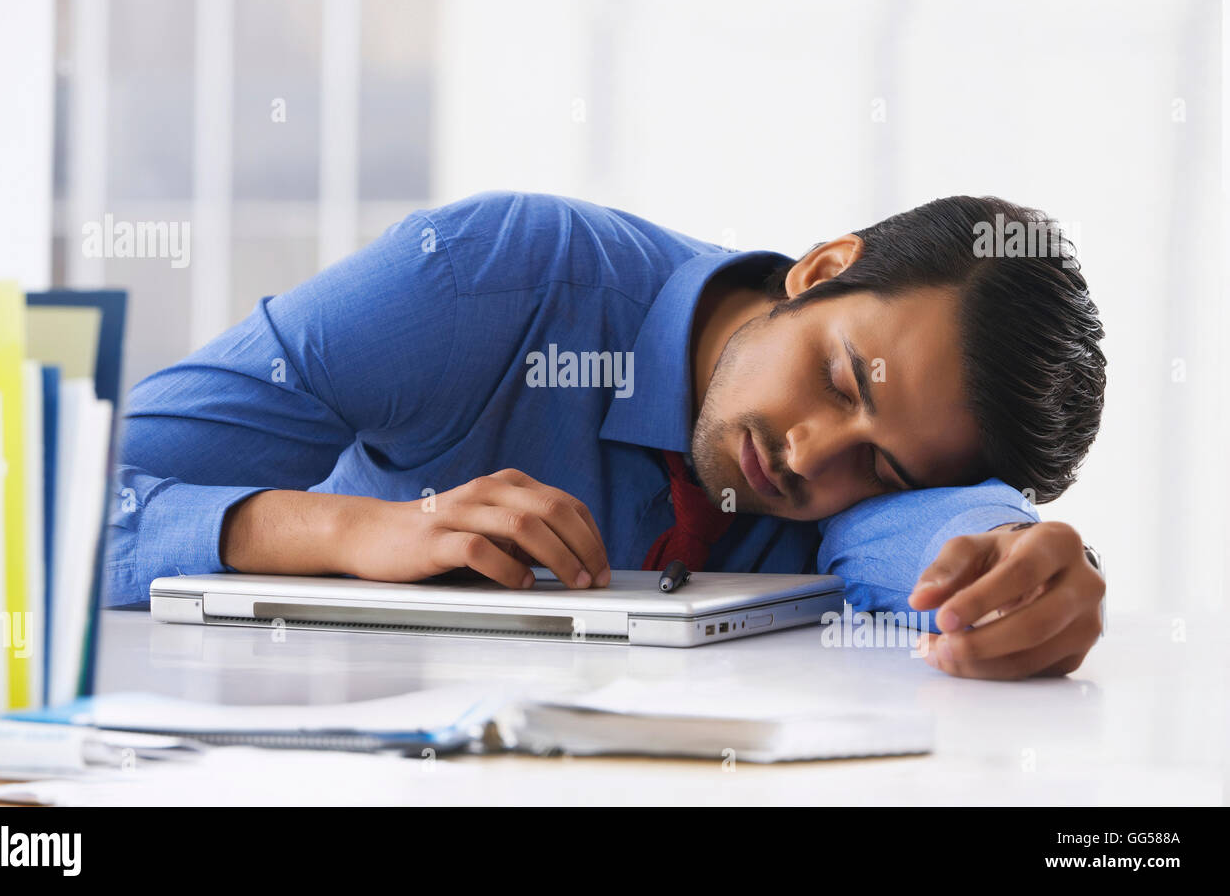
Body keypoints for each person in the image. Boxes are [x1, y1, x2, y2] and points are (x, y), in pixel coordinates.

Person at [108, 190, 1107, 679]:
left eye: (877, 464)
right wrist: (345, 532)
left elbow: (939, 536)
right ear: (821, 267)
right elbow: (45, 500)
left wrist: (1014, 562)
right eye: (838, 377)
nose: (806, 455)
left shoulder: (884, 482)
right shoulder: (478, 278)